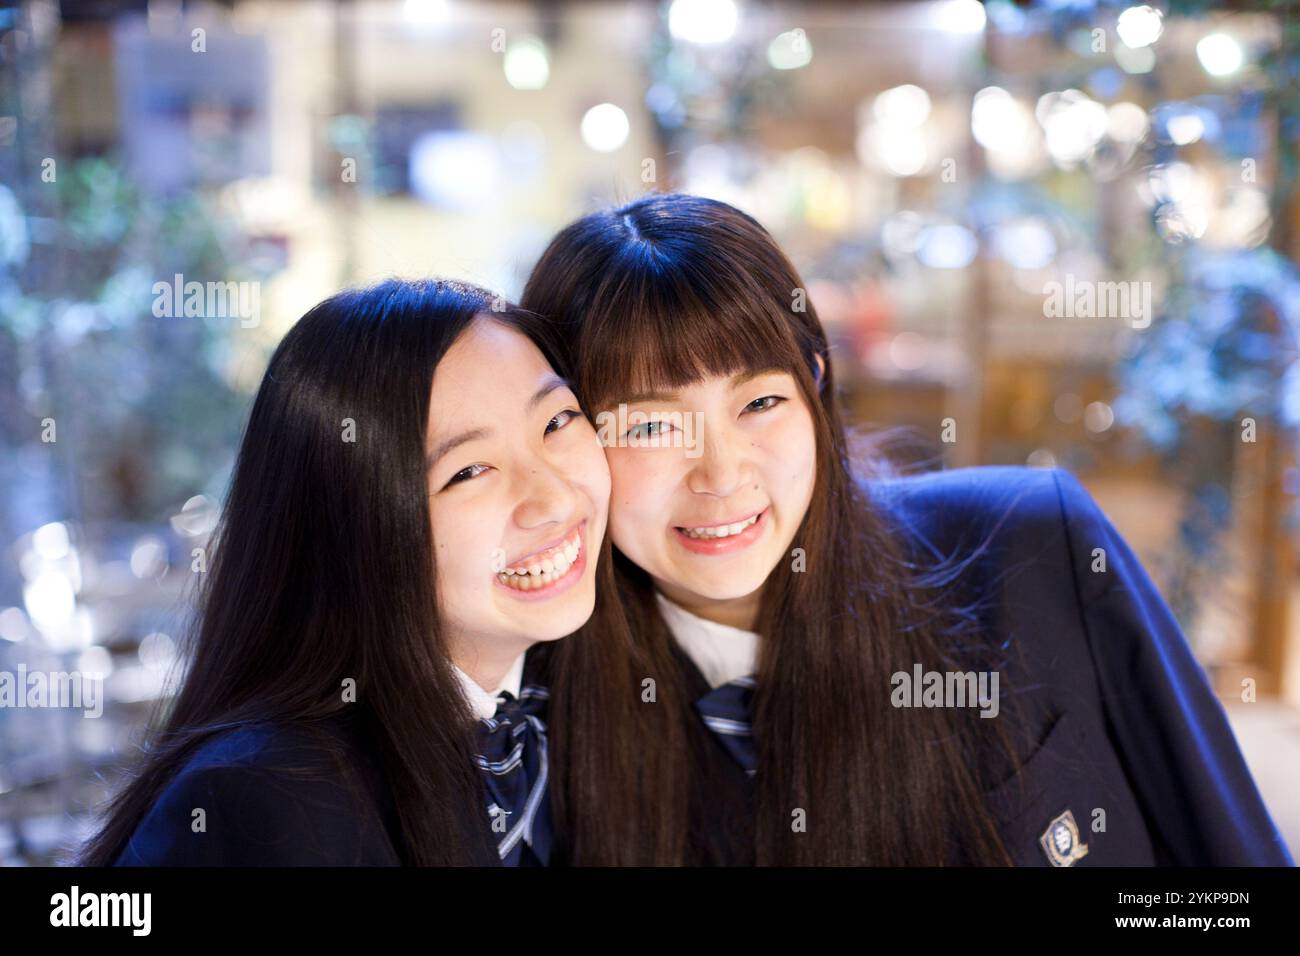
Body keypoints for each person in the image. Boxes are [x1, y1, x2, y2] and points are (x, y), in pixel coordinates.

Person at [521, 192, 1293, 866]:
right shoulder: (546, 723)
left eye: (760, 404)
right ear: (568, 438)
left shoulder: (1029, 548)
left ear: (816, 387)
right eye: (653, 427)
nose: (722, 476)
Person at [79, 278, 610, 866]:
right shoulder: (269, 802)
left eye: (557, 422)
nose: (553, 499)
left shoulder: (567, 698)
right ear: (355, 525)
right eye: (469, 471)